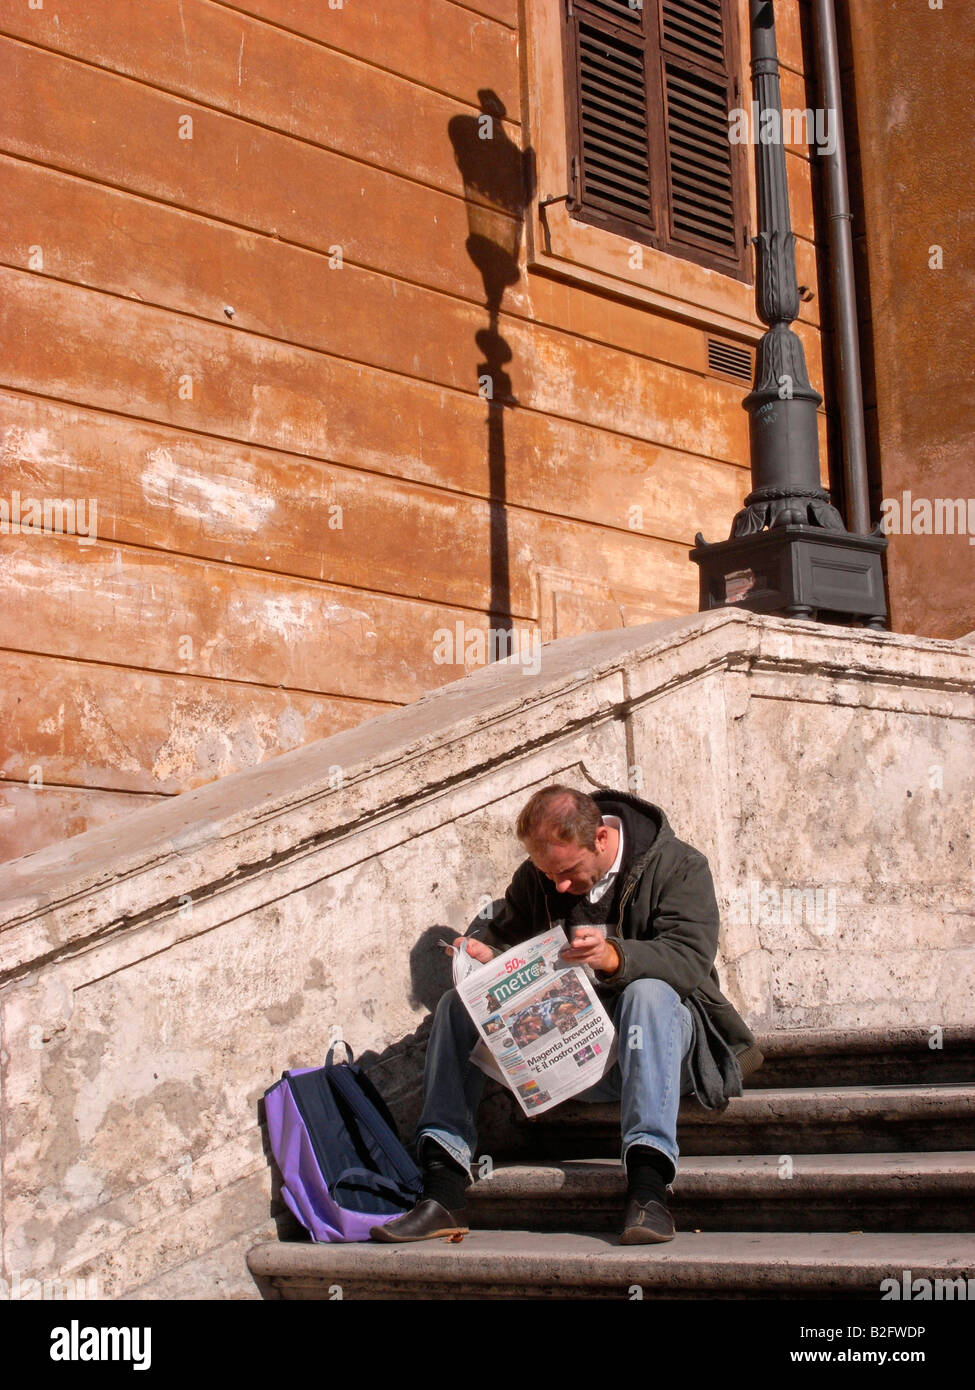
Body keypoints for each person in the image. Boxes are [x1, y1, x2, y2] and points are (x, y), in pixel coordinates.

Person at [370, 784, 763, 1245]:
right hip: (564, 1051)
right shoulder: (537, 879)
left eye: (568, 871)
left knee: (649, 994)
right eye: (547, 873)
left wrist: (616, 958)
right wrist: (486, 956)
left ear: (600, 839)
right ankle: (443, 1189)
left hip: (658, 1047)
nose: (558, 886)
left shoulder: (679, 866)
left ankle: (649, 1191)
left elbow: (689, 959)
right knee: (458, 1006)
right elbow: (508, 938)